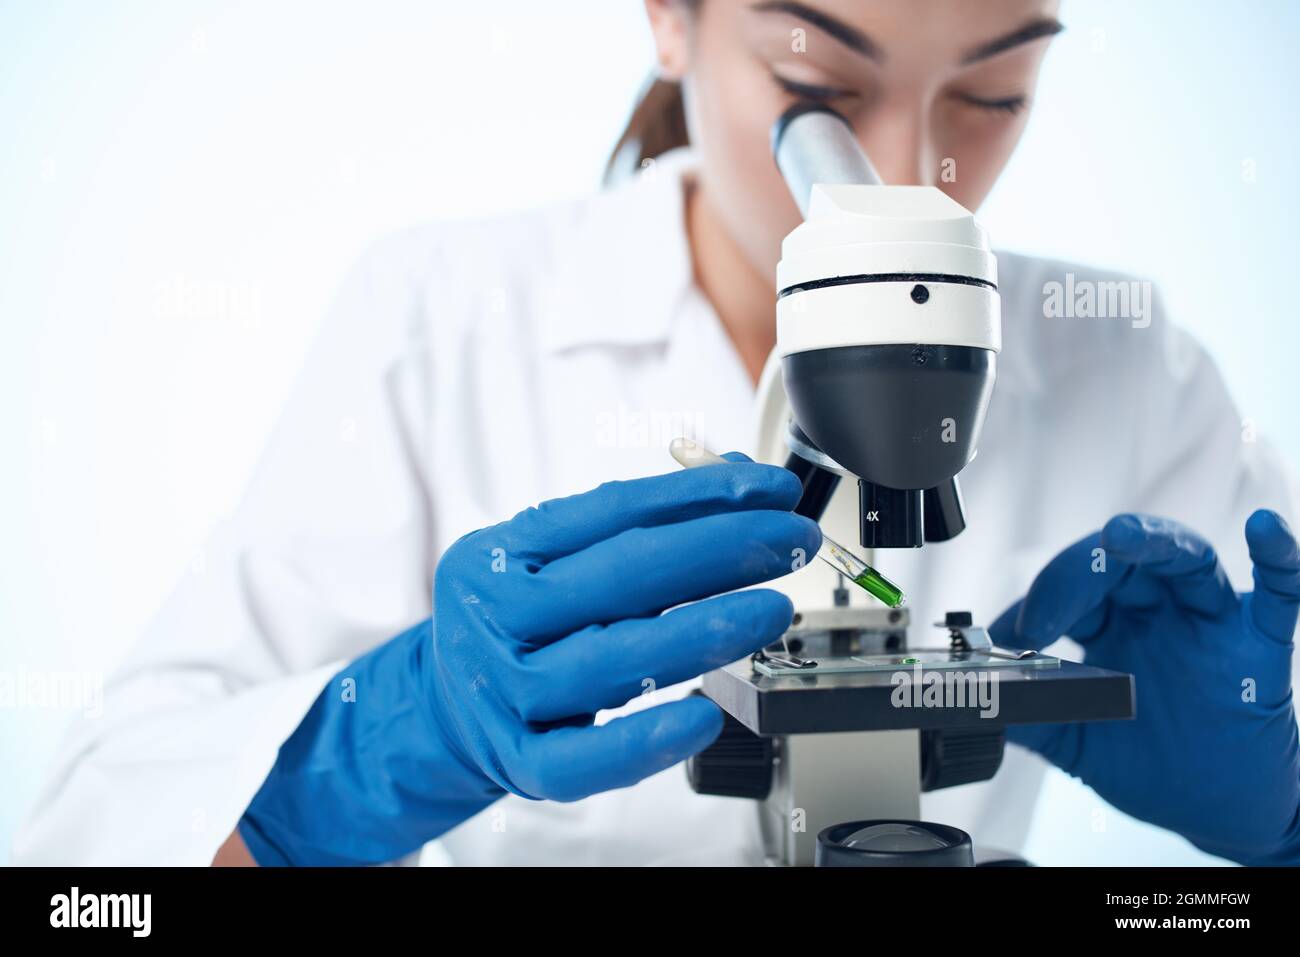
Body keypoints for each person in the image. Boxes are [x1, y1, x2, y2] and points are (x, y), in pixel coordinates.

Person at [15, 0, 1300, 867]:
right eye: (819, 90)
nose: (910, 175)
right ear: (669, 20)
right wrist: (355, 758)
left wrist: (1283, 818)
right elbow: (87, 875)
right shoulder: (439, 319)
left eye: (995, 94)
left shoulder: (1129, 361)